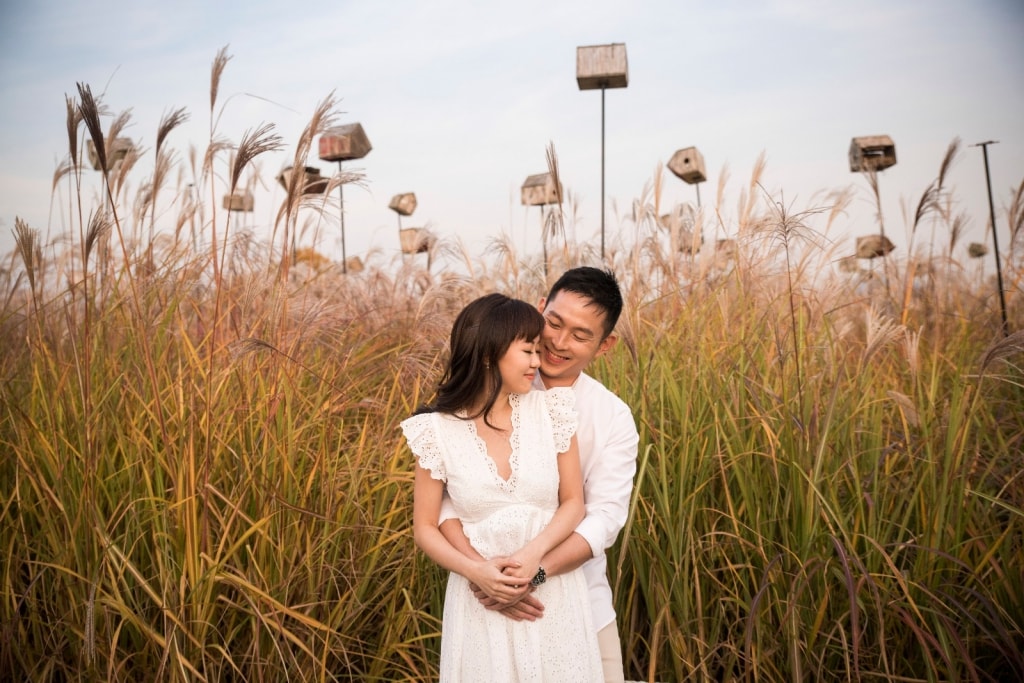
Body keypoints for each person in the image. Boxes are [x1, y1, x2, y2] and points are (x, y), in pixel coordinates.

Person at [440, 267, 640, 682]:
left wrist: (537, 571)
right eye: (554, 323)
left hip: (582, 606)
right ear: (539, 309)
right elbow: (445, 499)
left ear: (606, 346)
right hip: (483, 607)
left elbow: (604, 519)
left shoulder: (612, 418)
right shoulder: (485, 392)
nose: (558, 343)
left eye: (581, 335)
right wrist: (483, 575)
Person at [401, 292, 604, 681]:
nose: (537, 362)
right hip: (479, 604)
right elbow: (425, 527)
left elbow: (574, 502)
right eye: (527, 350)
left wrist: (533, 559)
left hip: (553, 598)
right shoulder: (435, 430)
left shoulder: (553, 411)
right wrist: (477, 574)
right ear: (489, 354)